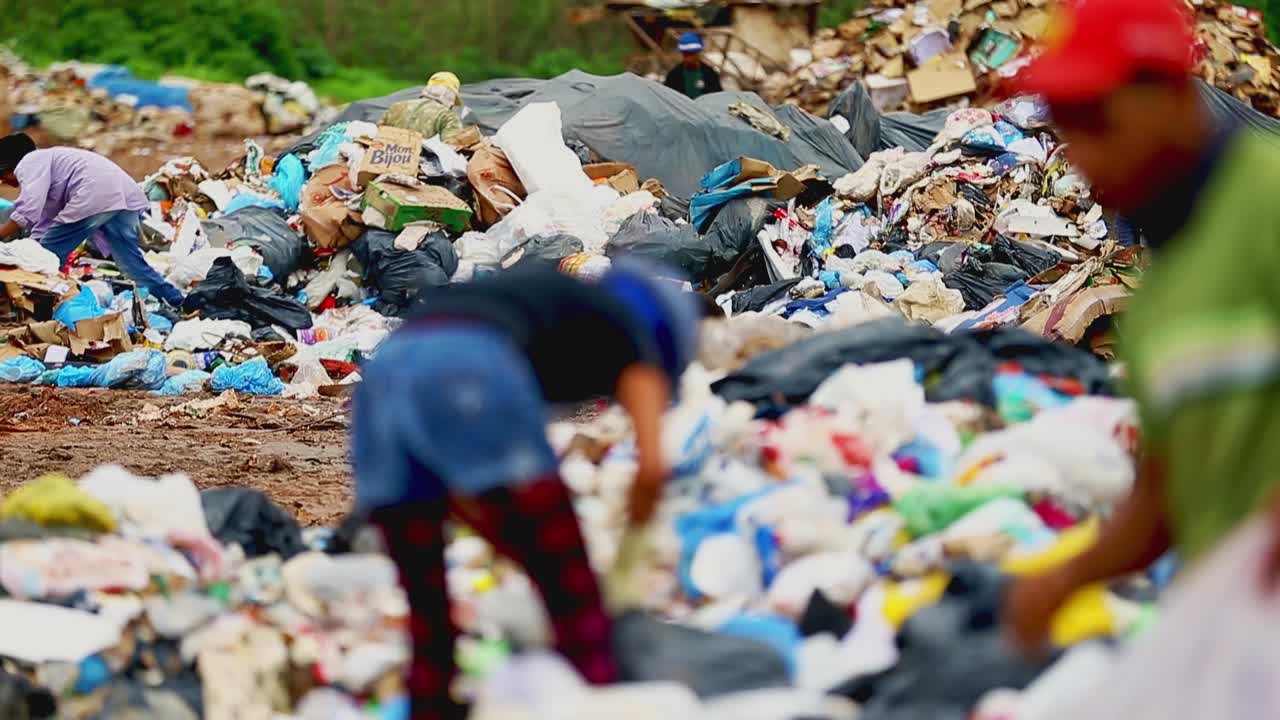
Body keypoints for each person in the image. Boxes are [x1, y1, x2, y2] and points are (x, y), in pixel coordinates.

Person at [1004, 0, 1280, 653]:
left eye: (1098, 120)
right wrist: (1065, 579)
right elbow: (1166, 495)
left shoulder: (1269, 204)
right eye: (1069, 129)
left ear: (1174, 95)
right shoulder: (1160, 299)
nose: (1085, 156)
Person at [351, 261, 700, 719]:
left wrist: (514, 543)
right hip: (468, 366)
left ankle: (429, 707)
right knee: (573, 596)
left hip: (382, 379)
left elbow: (458, 491)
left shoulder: (552, 303)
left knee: (427, 613)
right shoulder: (631, 332)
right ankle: (600, 697)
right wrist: (626, 559)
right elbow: (653, 468)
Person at [0, 133, 184, 306]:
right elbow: (44, 222)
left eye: (3, 177)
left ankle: (47, 310)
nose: (5, 182)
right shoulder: (50, 166)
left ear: (8, 167)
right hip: (120, 195)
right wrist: (27, 247)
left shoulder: (29, 162)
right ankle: (177, 301)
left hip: (93, 195)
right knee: (131, 264)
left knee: (46, 257)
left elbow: (27, 211)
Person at [382, 71, 465, 141]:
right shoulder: (447, 116)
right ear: (451, 97)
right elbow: (453, 147)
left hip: (386, 158)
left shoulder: (396, 107)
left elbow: (378, 137)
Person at [665, 32, 722, 100]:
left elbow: (718, 97)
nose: (688, 58)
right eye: (686, 54)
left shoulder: (710, 74)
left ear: (698, 52)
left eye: (691, 53)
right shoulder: (674, 75)